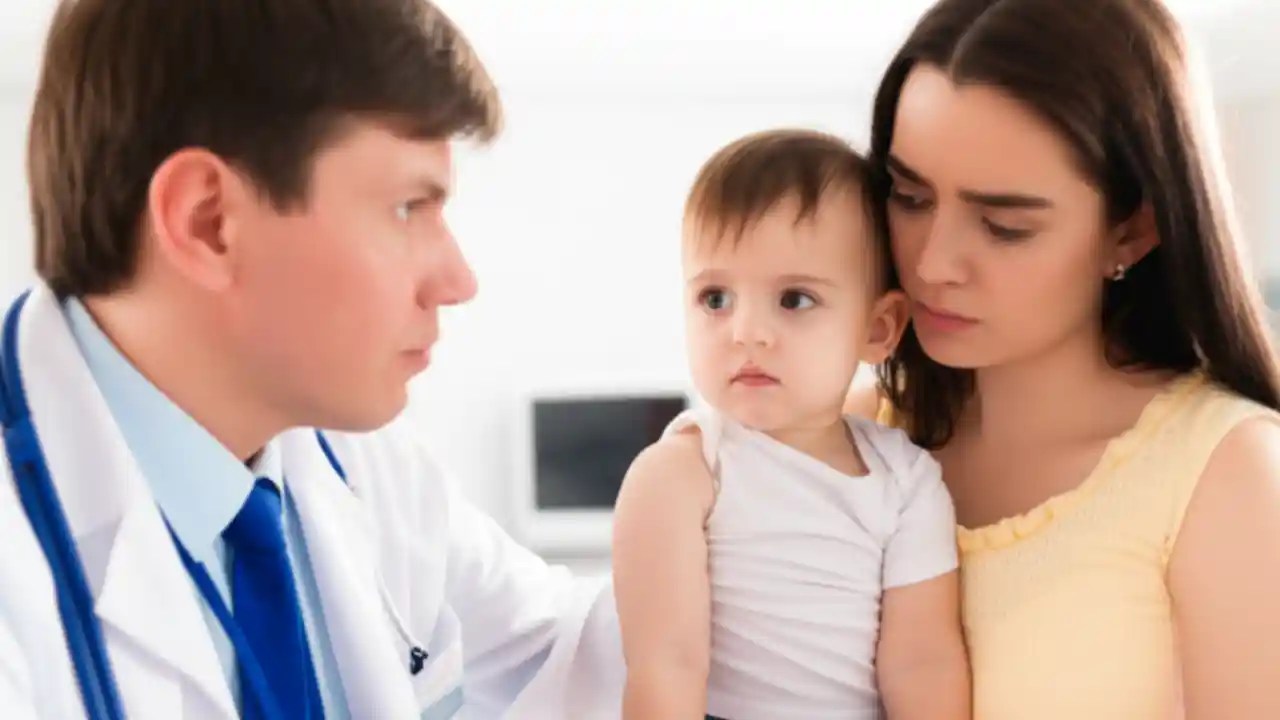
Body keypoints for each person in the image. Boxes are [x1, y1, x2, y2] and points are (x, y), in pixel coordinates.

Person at [0, 1, 623, 717]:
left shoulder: (363, 468)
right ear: (209, 222)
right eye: (407, 208)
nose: (458, 281)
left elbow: (571, 654)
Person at [844, 0, 1280, 718]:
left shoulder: (1224, 474)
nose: (934, 262)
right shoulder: (858, 434)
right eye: (910, 196)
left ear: (1132, 231)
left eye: (1004, 226)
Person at [612, 130, 971, 720]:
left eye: (795, 300)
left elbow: (922, 662)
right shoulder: (684, 471)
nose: (745, 331)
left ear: (878, 329)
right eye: (715, 298)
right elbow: (666, 666)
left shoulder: (905, 480)